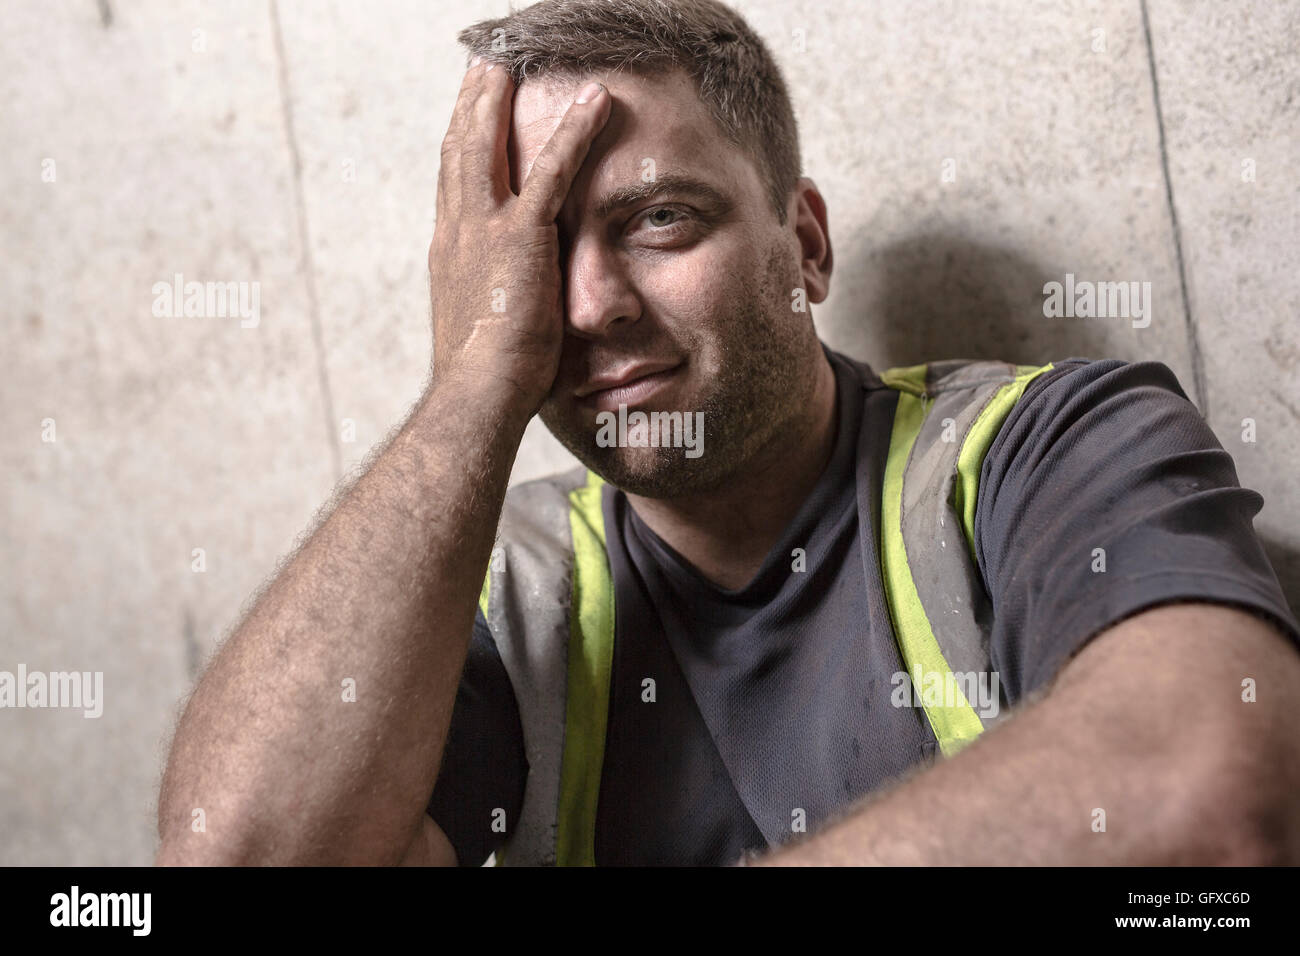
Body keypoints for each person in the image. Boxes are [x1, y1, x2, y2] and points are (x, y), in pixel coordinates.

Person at [155, 0, 1300, 867]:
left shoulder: (1049, 449)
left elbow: (1215, 792)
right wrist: (466, 388)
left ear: (804, 244)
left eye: (658, 218)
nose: (590, 304)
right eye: (534, 253)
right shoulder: (508, 597)